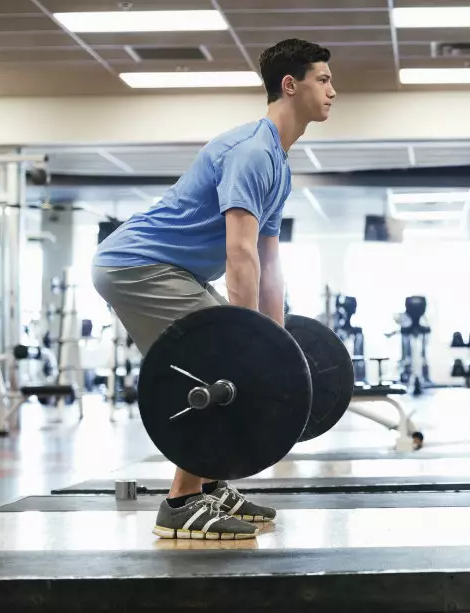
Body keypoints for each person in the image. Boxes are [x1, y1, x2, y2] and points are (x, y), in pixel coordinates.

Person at [92, 38, 336, 540]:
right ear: (291, 85)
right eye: (324, 79)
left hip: (172, 271)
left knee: (231, 363)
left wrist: (276, 342)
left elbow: (270, 261)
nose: (335, 90)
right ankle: (181, 502)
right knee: (216, 365)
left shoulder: (278, 163)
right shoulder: (251, 152)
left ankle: (205, 486)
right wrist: (245, 345)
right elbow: (240, 253)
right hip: (137, 265)